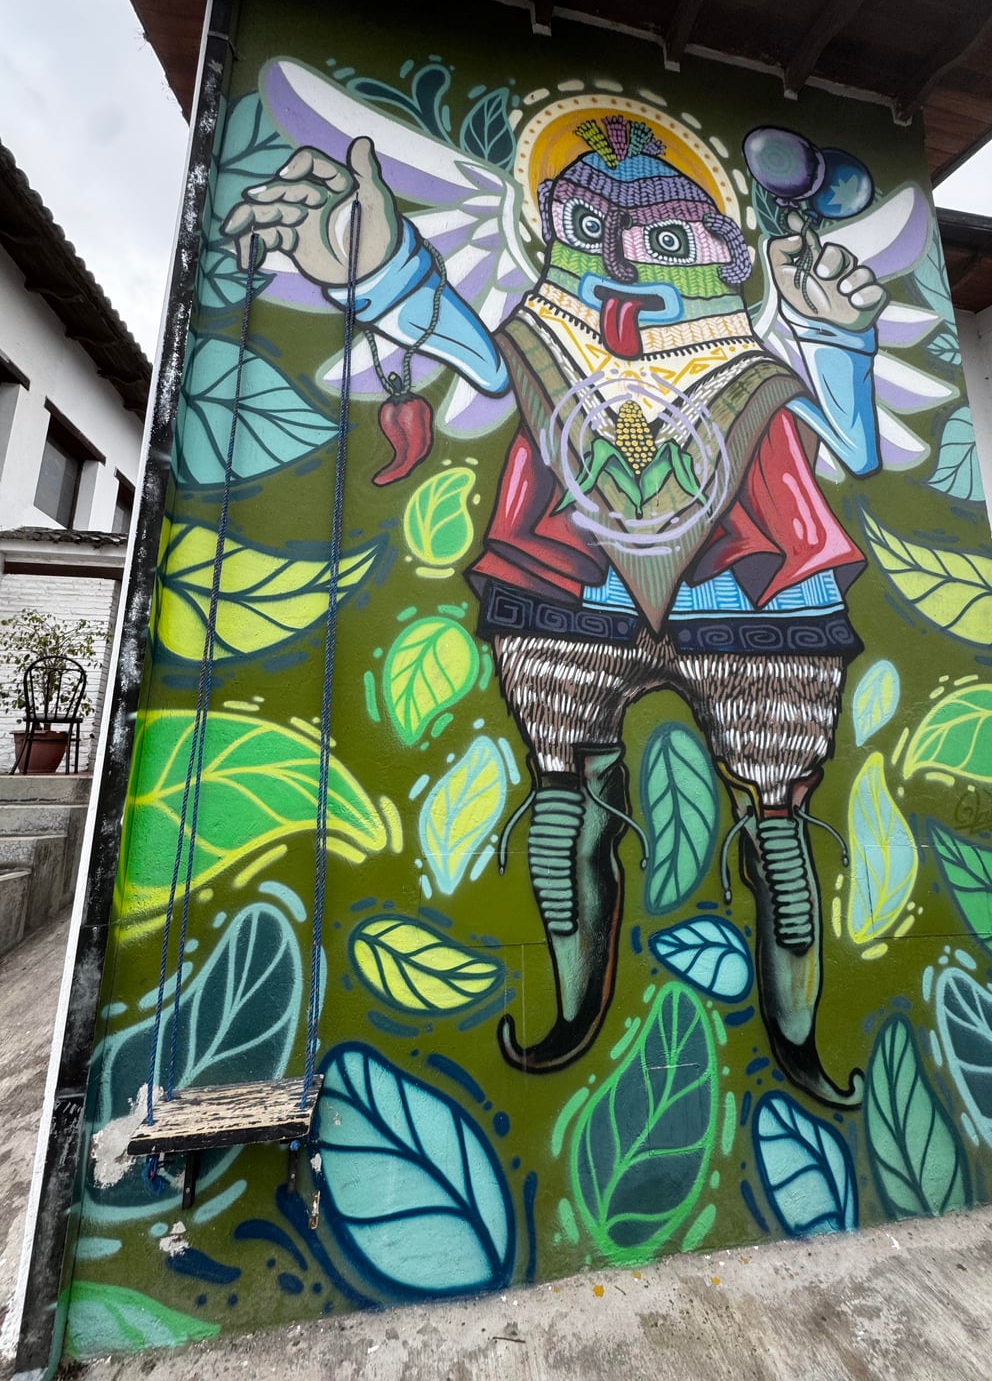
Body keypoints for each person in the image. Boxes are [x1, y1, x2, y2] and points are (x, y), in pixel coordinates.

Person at [224, 114, 887, 1106]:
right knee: (563, 807)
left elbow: (857, 447)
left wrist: (833, 331)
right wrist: (376, 269)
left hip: (751, 596)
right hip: (571, 587)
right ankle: (574, 1009)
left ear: (722, 255)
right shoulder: (548, 337)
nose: (621, 264)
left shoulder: (748, 352)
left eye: (663, 238)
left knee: (780, 827)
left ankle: (793, 1023)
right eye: (587, 227)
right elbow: (463, 341)